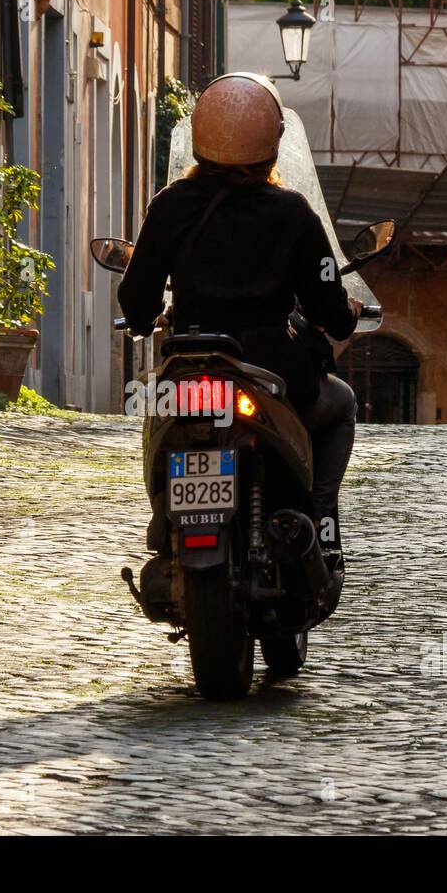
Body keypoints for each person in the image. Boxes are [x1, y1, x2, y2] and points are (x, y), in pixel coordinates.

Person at [117, 72, 362, 563]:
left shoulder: (169, 207)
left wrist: (150, 320)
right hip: (271, 369)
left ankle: (163, 510)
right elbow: (327, 311)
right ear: (272, 141)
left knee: (159, 419)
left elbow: (135, 298)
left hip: (188, 366)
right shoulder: (293, 214)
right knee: (342, 405)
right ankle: (321, 518)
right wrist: (344, 317)